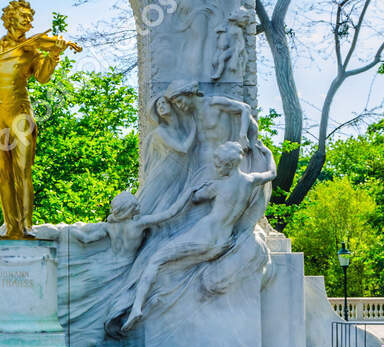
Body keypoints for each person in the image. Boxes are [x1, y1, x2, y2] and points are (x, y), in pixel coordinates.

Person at [0, 0, 80, 239]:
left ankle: (26, 226)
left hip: (20, 112)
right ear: (10, 18)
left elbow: (42, 78)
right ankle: (11, 228)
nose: (29, 22)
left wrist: (53, 54)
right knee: (3, 172)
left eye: (30, 18)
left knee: (23, 169)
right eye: (24, 16)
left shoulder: (32, 49)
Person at [114, 141, 275, 333]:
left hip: (204, 234)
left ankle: (137, 308)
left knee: (155, 260)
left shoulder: (217, 186)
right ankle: (159, 300)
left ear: (228, 164)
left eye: (218, 164)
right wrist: (266, 153)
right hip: (222, 242)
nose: (216, 167)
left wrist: (194, 188)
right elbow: (272, 173)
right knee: (176, 266)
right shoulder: (250, 181)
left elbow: (196, 198)